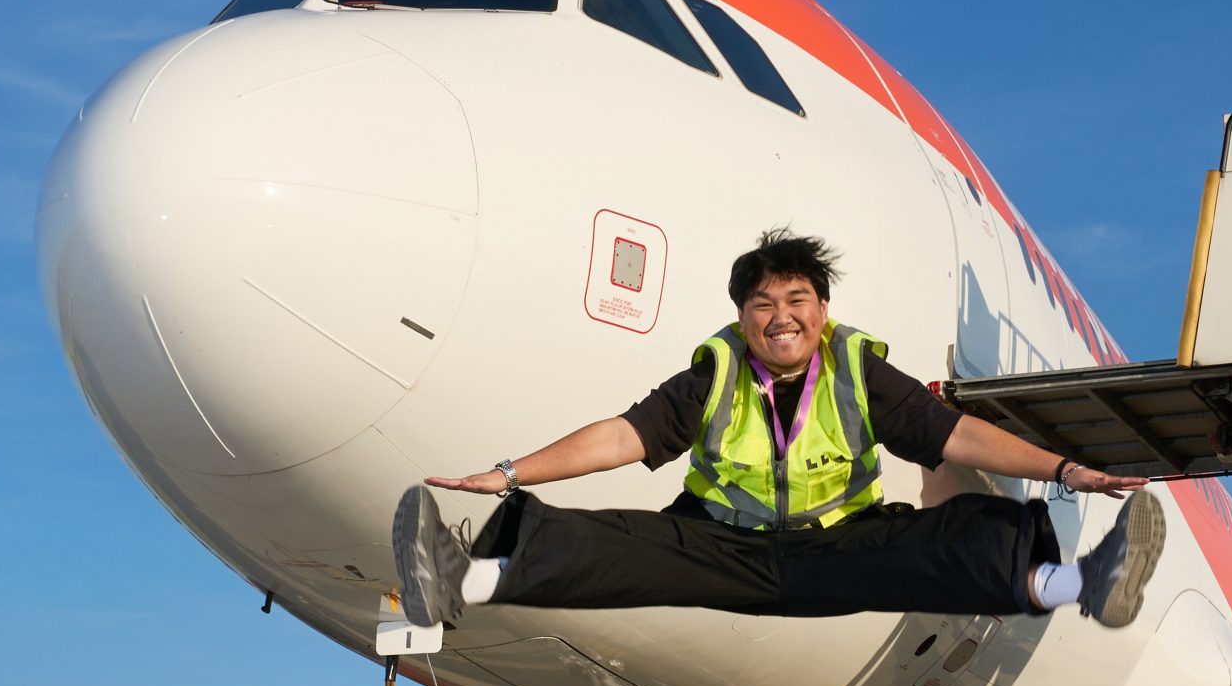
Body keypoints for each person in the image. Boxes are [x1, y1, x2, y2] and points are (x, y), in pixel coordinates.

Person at [394, 228, 1161, 632]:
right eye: (763, 303)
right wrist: (509, 474)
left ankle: (1080, 584)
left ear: (821, 311)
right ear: (742, 316)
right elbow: (623, 437)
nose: (781, 315)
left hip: (837, 547)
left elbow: (951, 436)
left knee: (957, 531)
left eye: (797, 299)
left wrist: (1063, 471)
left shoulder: (857, 370)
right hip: (727, 546)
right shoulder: (715, 371)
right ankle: (462, 578)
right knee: (621, 541)